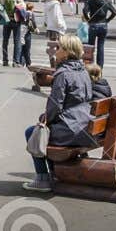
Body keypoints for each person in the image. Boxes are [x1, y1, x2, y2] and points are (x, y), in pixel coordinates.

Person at [23, 34, 96, 192]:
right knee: (47, 129)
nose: (56, 51)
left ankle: (43, 178)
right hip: (86, 125)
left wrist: (44, 120)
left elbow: (55, 105)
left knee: (33, 132)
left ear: (67, 52)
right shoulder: (84, 71)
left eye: (59, 48)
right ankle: (55, 173)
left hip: (72, 129)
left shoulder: (63, 74)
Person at [83, 0, 116, 67]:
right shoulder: (106, 1)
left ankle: (90, 65)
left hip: (93, 25)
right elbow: (114, 12)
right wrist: (107, 20)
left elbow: (85, 11)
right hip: (103, 25)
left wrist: (88, 20)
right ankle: (100, 67)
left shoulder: (91, 1)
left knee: (90, 46)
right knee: (100, 46)